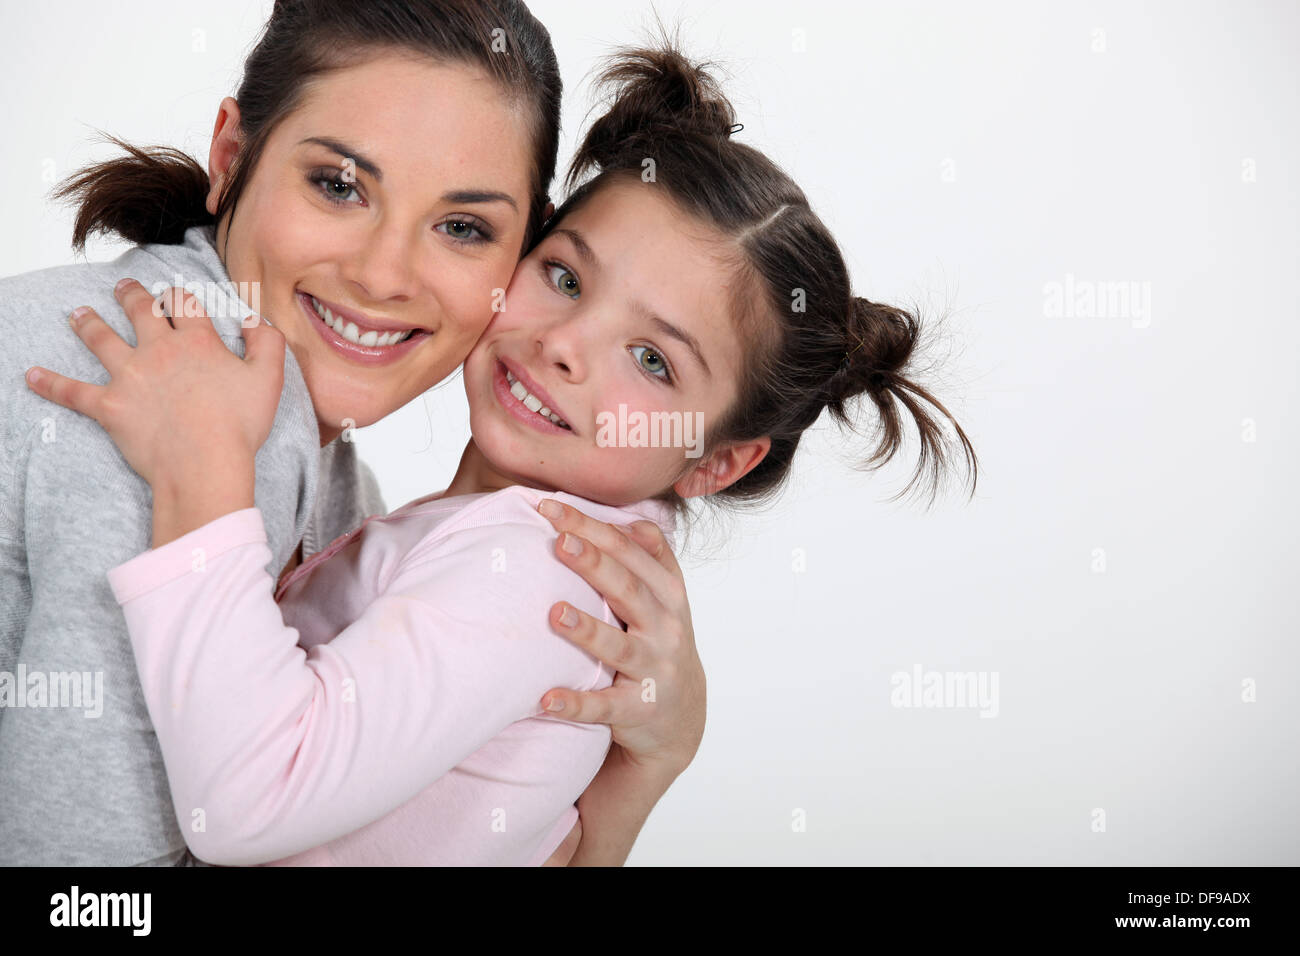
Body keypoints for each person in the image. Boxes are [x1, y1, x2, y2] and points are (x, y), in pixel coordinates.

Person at [25, 42, 980, 865]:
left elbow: (242, 802)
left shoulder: (533, 576)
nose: (566, 343)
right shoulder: (457, 530)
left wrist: (207, 480)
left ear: (714, 462)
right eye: (564, 275)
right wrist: (640, 773)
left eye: (652, 360)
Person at [0, 0, 703, 867]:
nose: (382, 274)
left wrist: (637, 772)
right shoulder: (171, 407)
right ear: (231, 158)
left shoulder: (335, 486)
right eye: (338, 186)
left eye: (461, 227)